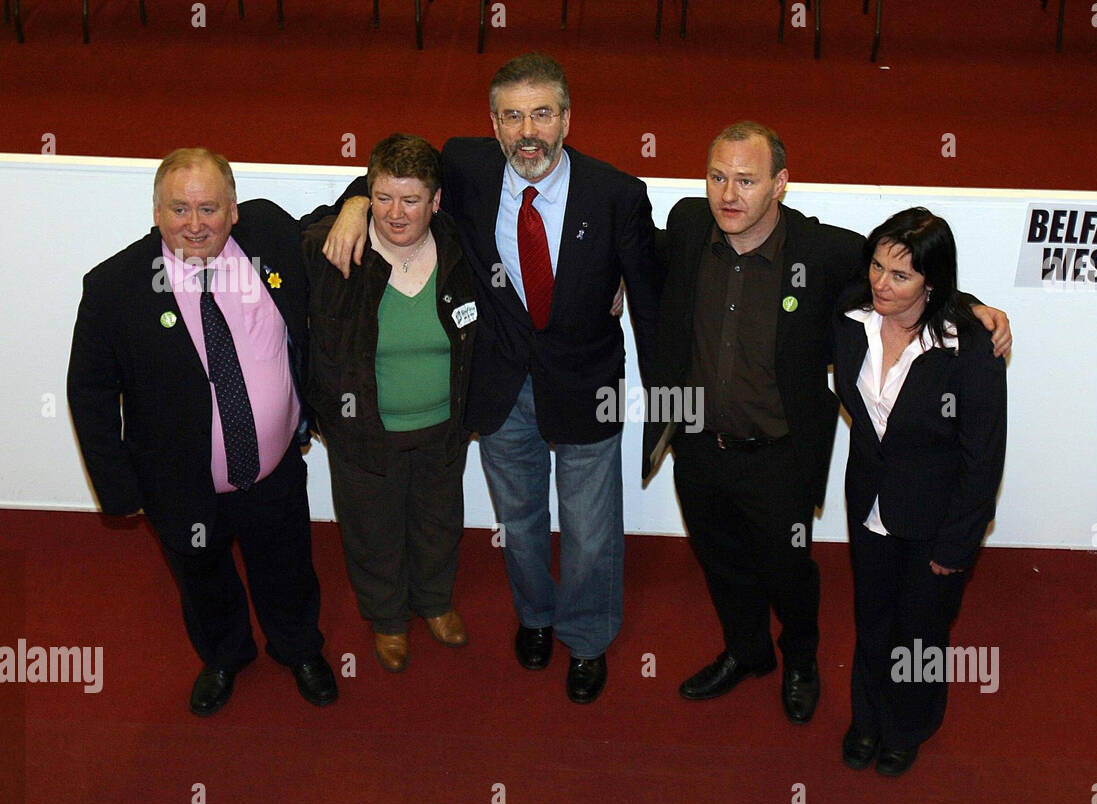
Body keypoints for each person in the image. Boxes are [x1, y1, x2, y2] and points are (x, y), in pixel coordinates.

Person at [643, 123, 1009, 726]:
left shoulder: (819, 250)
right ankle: (746, 651)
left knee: (789, 572)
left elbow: (905, 272)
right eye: (717, 177)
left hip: (779, 458)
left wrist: (972, 308)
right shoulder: (687, 226)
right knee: (722, 563)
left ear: (780, 185)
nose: (727, 194)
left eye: (746, 180)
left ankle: (801, 662)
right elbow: (637, 256)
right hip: (699, 448)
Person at [323, 53, 661, 703]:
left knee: (591, 530)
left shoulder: (616, 194)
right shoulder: (469, 167)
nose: (526, 130)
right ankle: (535, 616)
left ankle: (587, 639)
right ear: (493, 122)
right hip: (501, 386)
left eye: (541, 113)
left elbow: (652, 289)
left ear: (566, 118)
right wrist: (356, 200)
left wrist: (676, 404)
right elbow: (400, 174)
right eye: (512, 115)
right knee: (521, 517)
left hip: (586, 385)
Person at [67, 148, 338, 716]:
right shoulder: (115, 288)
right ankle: (224, 656)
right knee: (202, 575)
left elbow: (342, 209)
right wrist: (117, 491)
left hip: (274, 468)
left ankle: (298, 648)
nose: (194, 224)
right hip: (181, 485)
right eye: (179, 209)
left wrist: (361, 203)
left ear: (235, 210)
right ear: (157, 212)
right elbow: (90, 394)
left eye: (209, 208)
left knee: (287, 564)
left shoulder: (272, 234)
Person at [832, 207, 1007, 776]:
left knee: (921, 632)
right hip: (869, 505)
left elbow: (984, 458)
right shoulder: (850, 314)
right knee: (872, 616)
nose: (882, 283)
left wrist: (957, 547)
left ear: (931, 283)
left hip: (935, 519)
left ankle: (908, 725)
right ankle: (866, 717)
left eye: (900, 275)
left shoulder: (968, 345)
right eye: (877, 267)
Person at [303, 134, 478, 673]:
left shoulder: (462, 249)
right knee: (371, 528)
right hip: (362, 430)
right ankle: (386, 618)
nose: (395, 213)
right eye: (381, 198)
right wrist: (352, 207)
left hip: (444, 425)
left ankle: (434, 602)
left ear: (436, 202)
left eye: (410, 200)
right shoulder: (333, 248)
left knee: (438, 520)